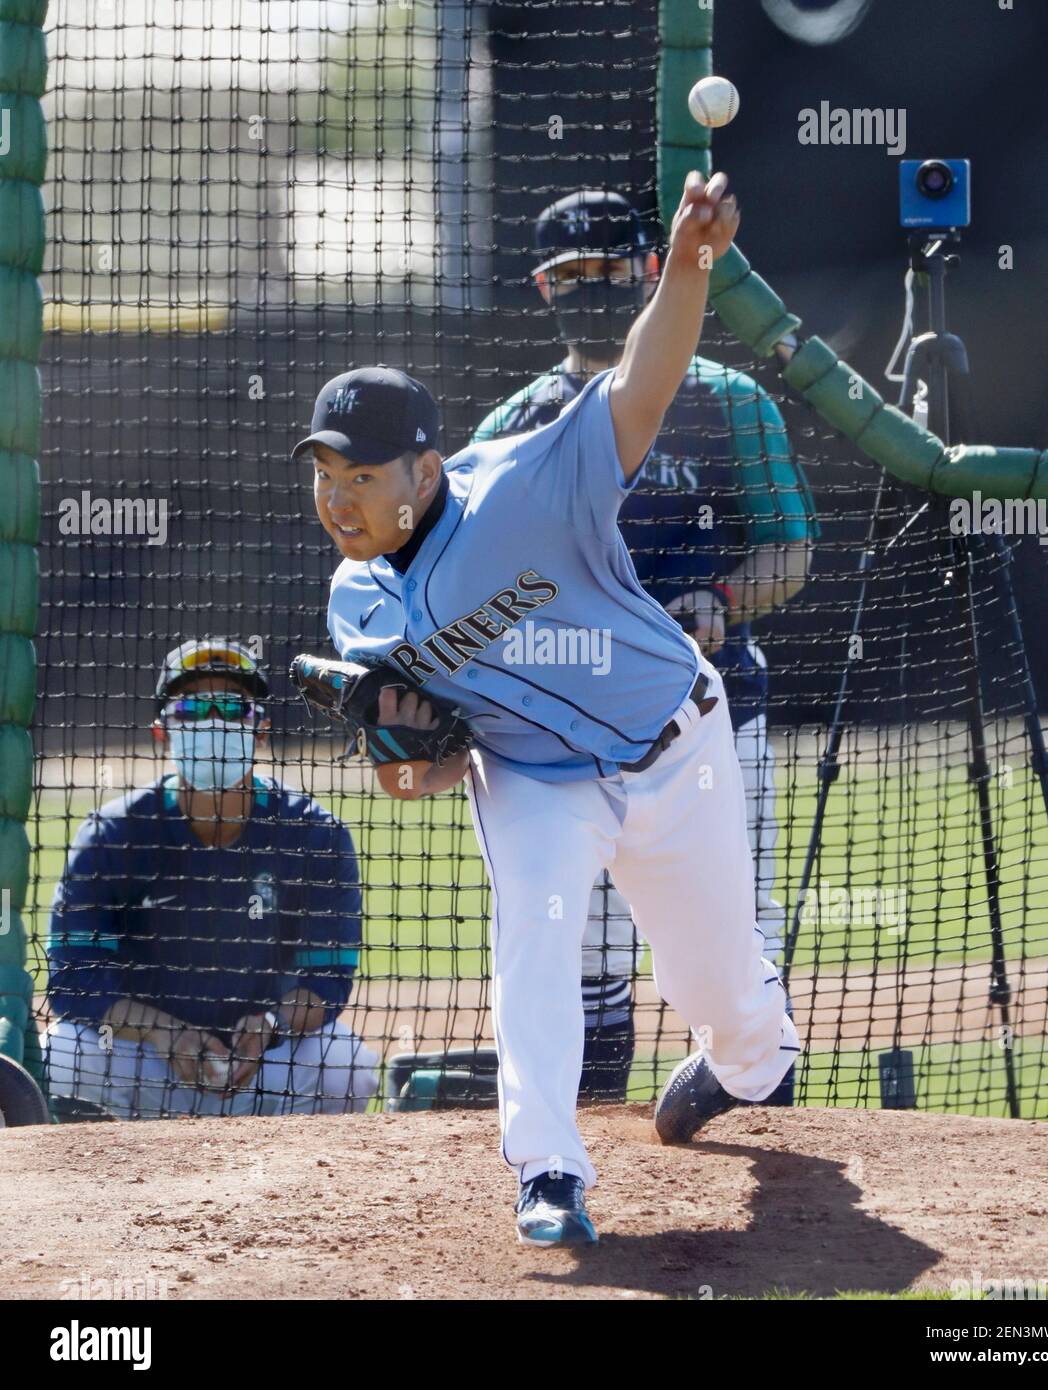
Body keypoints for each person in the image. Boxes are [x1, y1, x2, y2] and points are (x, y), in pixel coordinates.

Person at [297, 171, 799, 1247]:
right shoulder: (354, 600)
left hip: (675, 741)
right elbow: (416, 770)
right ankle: (547, 1169)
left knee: (714, 980)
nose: (338, 498)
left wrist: (695, 259)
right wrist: (400, 750)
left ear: (423, 468)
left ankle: (750, 1056)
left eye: (360, 474)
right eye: (323, 474)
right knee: (535, 936)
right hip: (531, 777)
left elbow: (643, 382)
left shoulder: (524, 479)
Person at [471, 190, 816, 1104]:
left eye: (612, 269)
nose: (592, 288)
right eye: (569, 277)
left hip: (713, 706)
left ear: (651, 268)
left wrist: (726, 597)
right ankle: (589, 1130)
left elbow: (792, 547)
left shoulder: (730, 402)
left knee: (737, 924)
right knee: (578, 938)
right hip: (561, 727)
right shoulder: (513, 426)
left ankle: (753, 1092)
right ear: (541, 289)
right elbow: (467, 572)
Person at [44, 639, 379, 1119]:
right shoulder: (112, 835)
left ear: (260, 729)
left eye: (232, 706)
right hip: (150, 1063)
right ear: (163, 731)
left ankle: (298, 1185)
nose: (213, 721)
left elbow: (325, 981)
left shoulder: (315, 835)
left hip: (264, 1069)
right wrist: (163, 1031)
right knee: (66, 1053)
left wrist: (267, 1026)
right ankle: (117, 1183)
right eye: (192, 706)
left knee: (344, 1064)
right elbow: (74, 977)